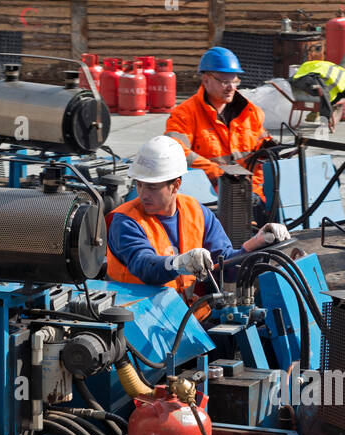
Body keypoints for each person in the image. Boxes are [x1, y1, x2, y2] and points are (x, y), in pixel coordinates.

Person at [104, 136, 287, 320]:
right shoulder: (125, 221)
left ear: (175, 185)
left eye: (152, 187)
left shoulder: (197, 212)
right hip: (138, 322)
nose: (143, 193)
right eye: (139, 184)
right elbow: (144, 266)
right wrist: (178, 263)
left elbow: (226, 267)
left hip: (187, 316)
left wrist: (258, 242)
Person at [164, 47, 272, 219]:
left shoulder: (251, 113)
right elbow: (176, 151)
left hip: (254, 192)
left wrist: (271, 148)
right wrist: (218, 173)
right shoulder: (185, 114)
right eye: (224, 82)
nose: (231, 87)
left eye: (235, 81)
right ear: (206, 80)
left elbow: (261, 147)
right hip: (210, 196)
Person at [290, 59, 345, 132]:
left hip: (304, 89)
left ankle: (316, 114)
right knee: (335, 93)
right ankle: (323, 117)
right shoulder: (344, 77)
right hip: (325, 95)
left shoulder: (306, 66)